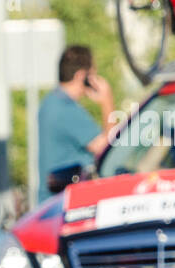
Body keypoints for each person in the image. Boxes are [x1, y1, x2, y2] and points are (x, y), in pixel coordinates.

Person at [37, 44, 116, 200]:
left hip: (53, 198)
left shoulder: (50, 102)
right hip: (68, 200)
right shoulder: (66, 109)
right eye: (93, 74)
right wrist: (107, 101)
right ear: (82, 76)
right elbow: (107, 147)